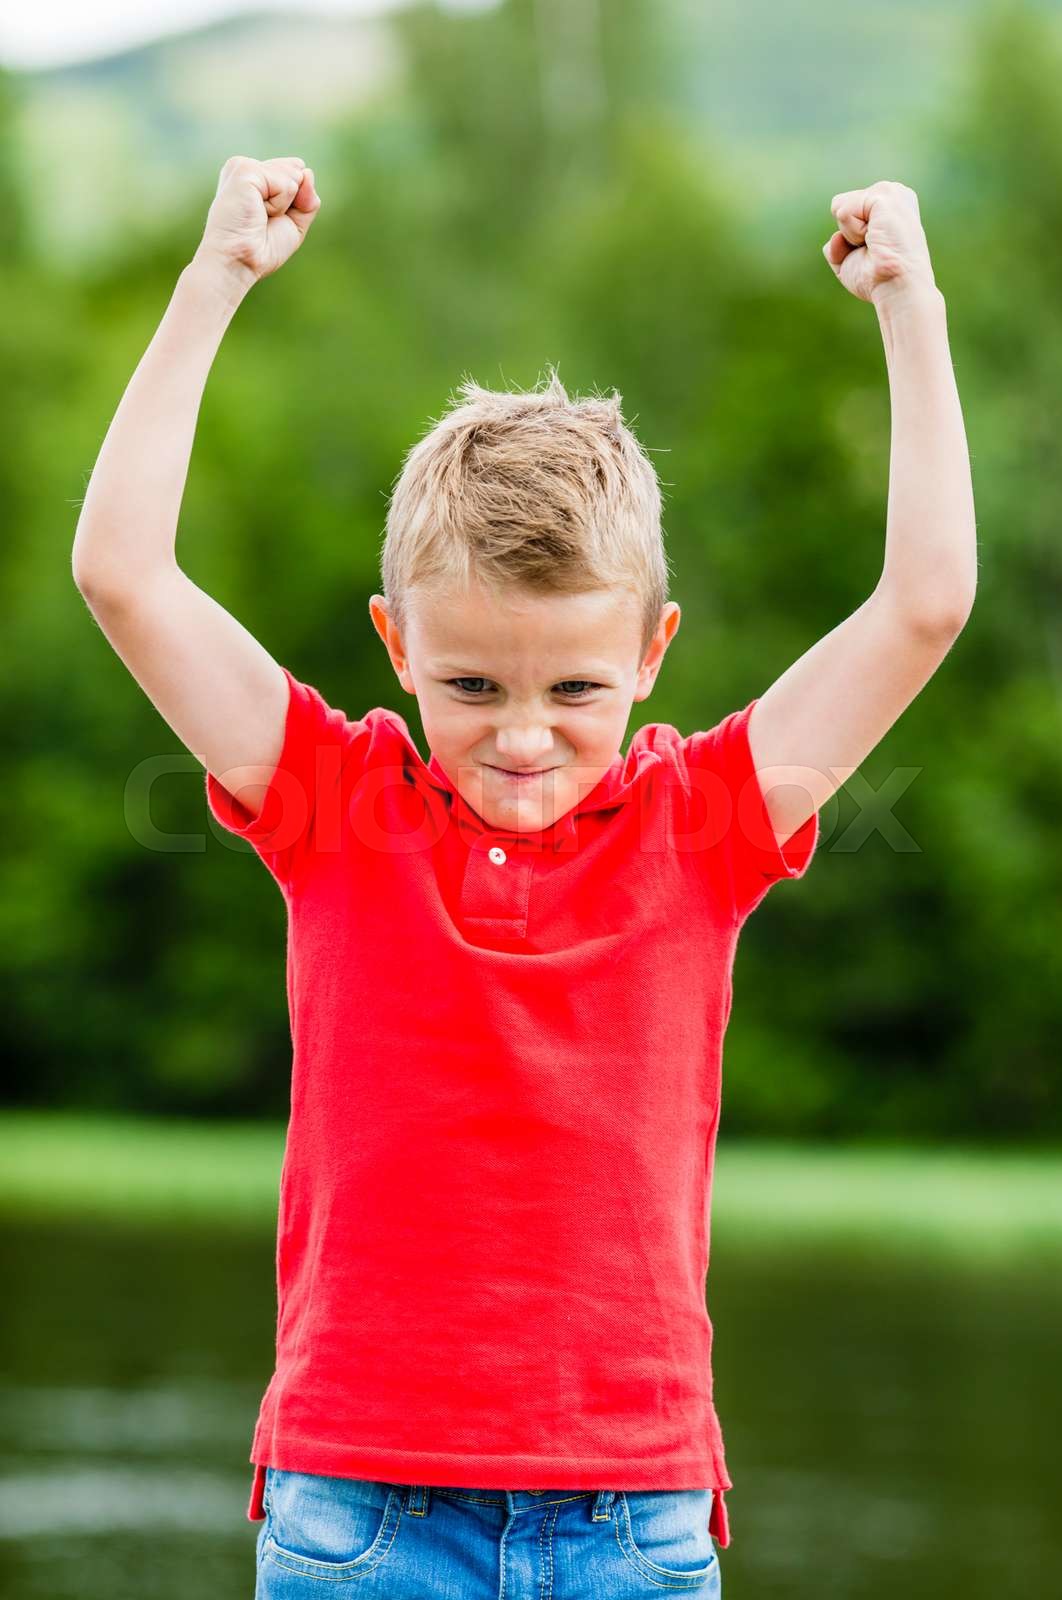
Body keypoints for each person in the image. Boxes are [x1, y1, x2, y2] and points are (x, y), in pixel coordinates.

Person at [71, 156, 977, 1598]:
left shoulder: (707, 822)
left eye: (575, 687)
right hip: (362, 1511)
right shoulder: (334, 797)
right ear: (396, 644)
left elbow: (925, 602)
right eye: (472, 680)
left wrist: (912, 310)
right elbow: (124, 570)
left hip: (634, 1510)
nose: (522, 733)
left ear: (655, 654)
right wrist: (213, 280)